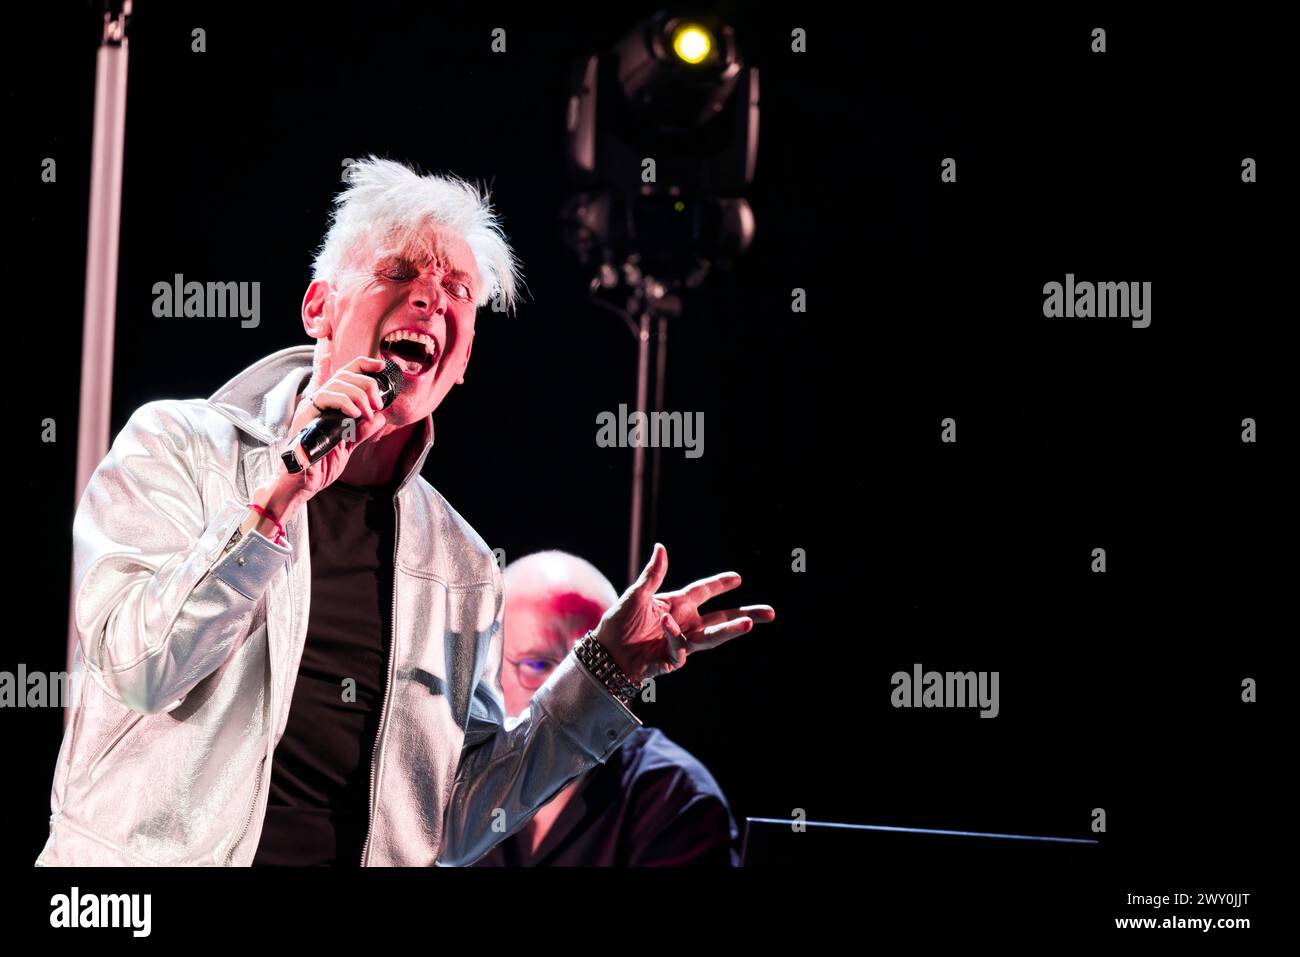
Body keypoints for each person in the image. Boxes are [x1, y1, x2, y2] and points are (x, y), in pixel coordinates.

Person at [36, 156, 774, 867]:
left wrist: (603, 671)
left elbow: (447, 822)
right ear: (318, 307)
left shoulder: (459, 563)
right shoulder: (178, 447)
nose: (431, 297)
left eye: (457, 287)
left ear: (465, 357)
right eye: (398, 271)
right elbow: (139, 670)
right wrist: (278, 494)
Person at [474, 551, 739, 866]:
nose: (567, 689)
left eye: (595, 665)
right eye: (537, 664)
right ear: (486, 667)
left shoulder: (675, 799)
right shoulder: (456, 785)